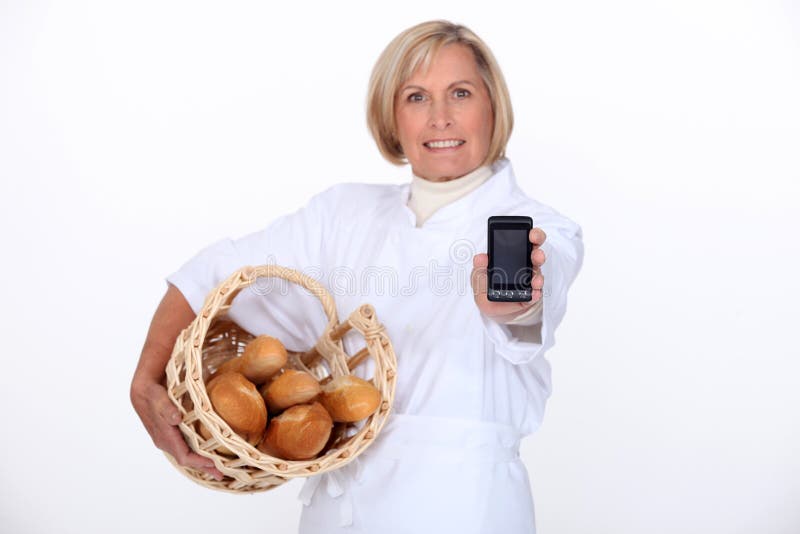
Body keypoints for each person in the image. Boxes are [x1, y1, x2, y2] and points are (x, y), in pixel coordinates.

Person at [130, 19, 584, 534]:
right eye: (416, 97)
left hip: (463, 508)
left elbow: (532, 305)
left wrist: (510, 307)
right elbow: (215, 272)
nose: (440, 117)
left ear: (493, 107)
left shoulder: (544, 230)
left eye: (461, 92)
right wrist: (146, 378)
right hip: (336, 514)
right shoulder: (344, 213)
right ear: (392, 118)